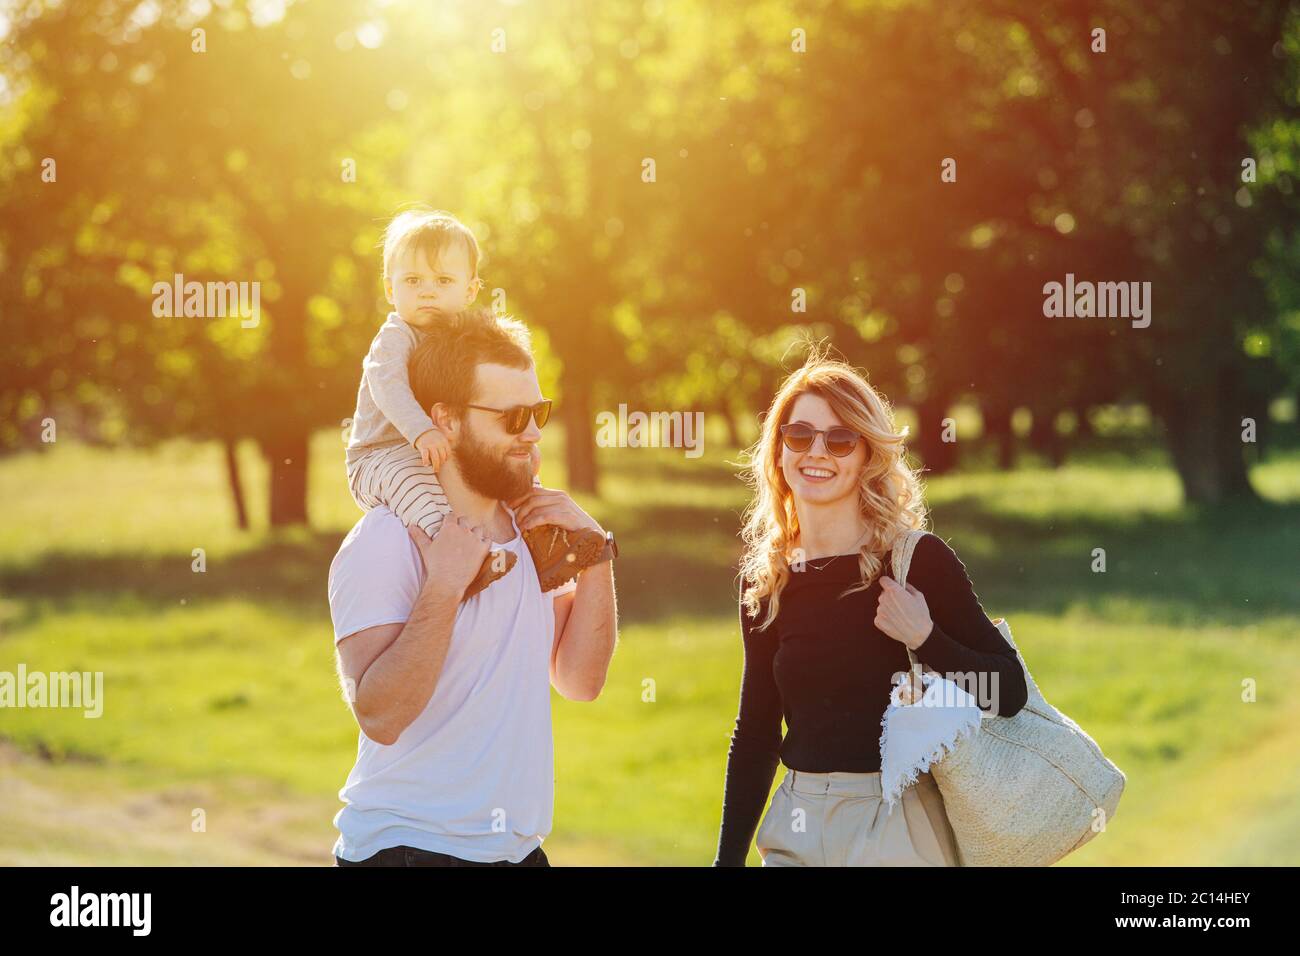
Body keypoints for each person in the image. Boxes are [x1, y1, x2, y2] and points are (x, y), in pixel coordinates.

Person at [713, 347, 1028, 867]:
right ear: (779, 451)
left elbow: (1009, 690)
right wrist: (726, 862)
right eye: (800, 435)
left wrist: (927, 640)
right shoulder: (766, 581)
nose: (818, 452)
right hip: (799, 820)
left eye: (840, 440)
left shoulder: (915, 562)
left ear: (866, 455)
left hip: (896, 819)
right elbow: (757, 731)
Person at [329, 310, 619, 866]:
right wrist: (444, 585)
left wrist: (595, 554)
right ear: (447, 420)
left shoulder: (533, 535)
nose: (533, 432)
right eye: (512, 417)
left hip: (517, 851)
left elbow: (581, 681)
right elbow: (380, 716)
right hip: (411, 848)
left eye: (538, 412)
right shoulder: (385, 541)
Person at [344, 207, 604, 599]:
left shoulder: (456, 339)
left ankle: (547, 544)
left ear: (469, 291)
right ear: (389, 289)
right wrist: (421, 431)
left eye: (442, 280)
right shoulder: (395, 337)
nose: (427, 291)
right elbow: (388, 386)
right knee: (416, 486)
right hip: (381, 455)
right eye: (413, 280)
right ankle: (454, 561)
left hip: (430, 441)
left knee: (515, 470)